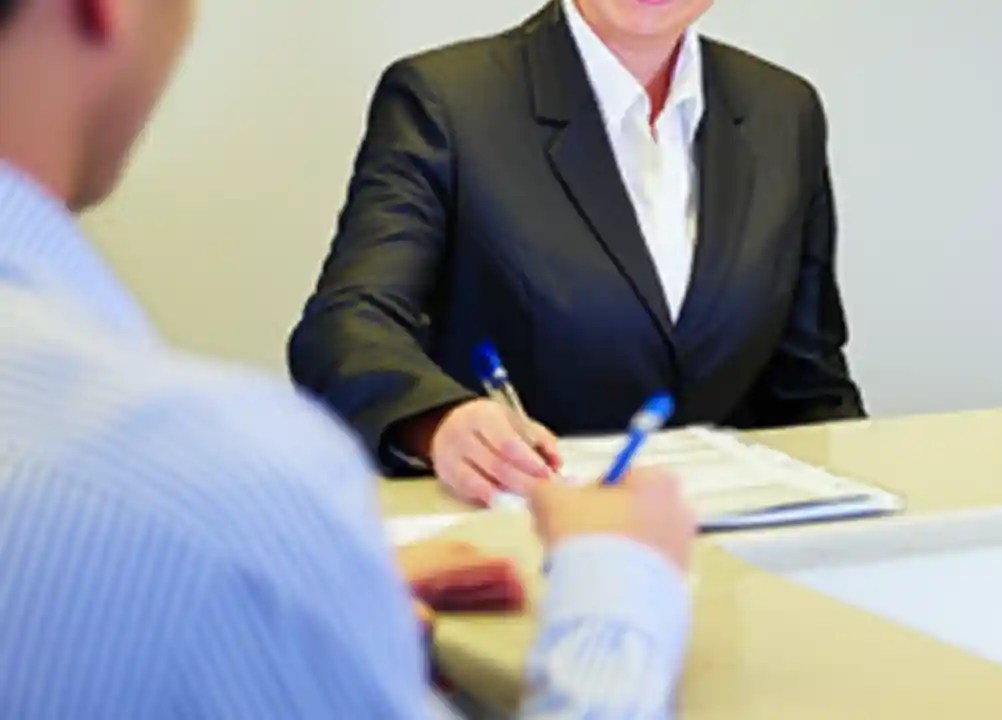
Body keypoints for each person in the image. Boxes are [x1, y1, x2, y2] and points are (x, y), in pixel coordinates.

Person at [0, 0, 697, 717]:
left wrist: (303, 576)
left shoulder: (182, 508)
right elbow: (348, 321)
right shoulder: (206, 492)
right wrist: (618, 586)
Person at [289, 0, 867, 506]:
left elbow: (809, 382)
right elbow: (346, 326)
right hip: (526, 532)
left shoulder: (783, 110)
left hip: (740, 545)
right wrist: (438, 421)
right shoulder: (446, 99)